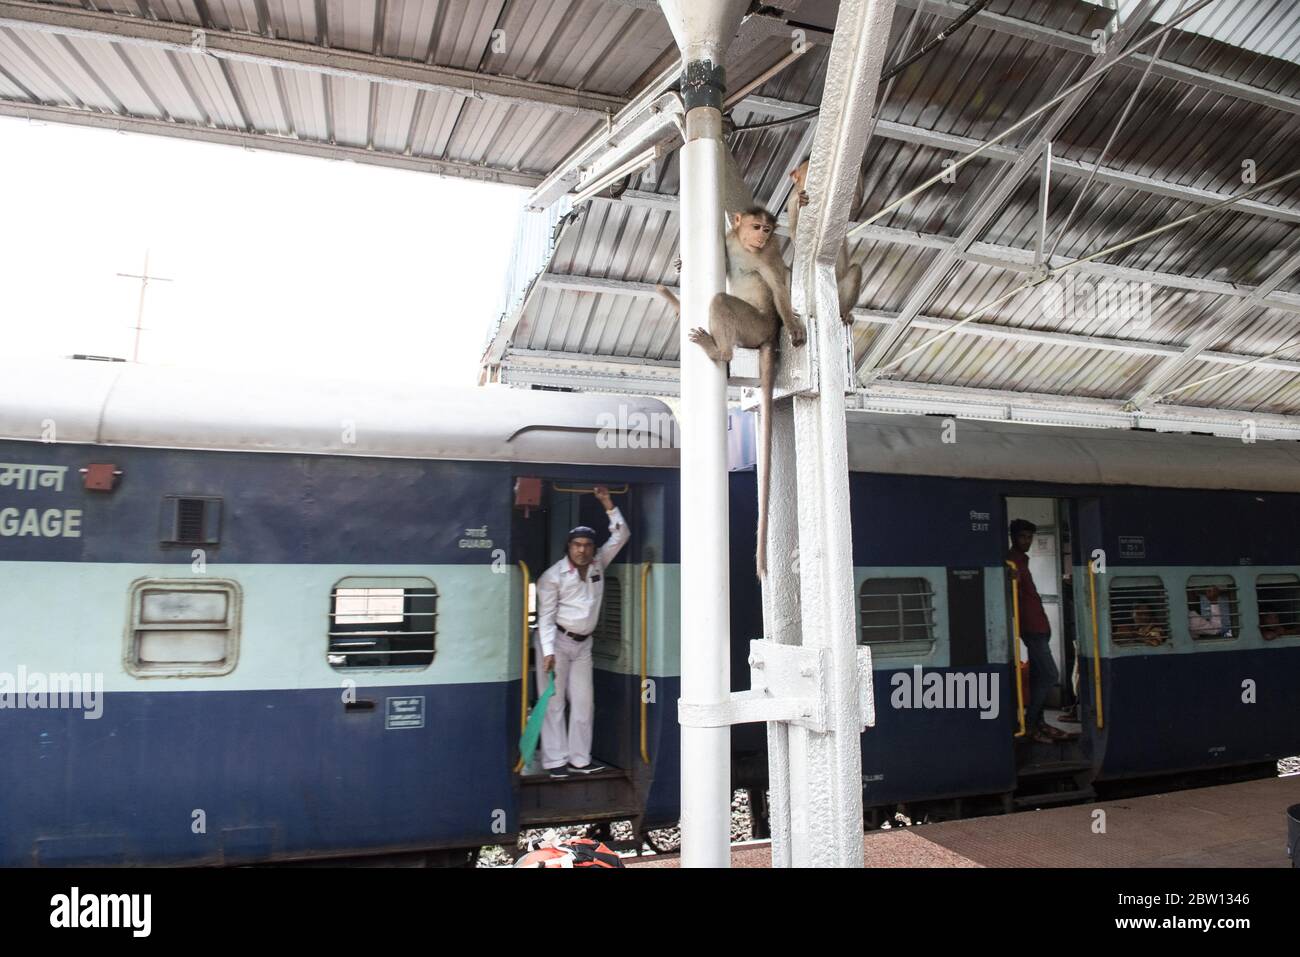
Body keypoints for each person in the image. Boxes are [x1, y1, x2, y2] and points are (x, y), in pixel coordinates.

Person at [534, 485, 629, 779]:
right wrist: (548, 651)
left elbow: (621, 534)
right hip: (556, 642)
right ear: (569, 547)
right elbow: (546, 617)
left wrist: (607, 502)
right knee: (553, 702)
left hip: (583, 645)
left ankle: (579, 760)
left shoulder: (599, 562)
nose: (583, 549)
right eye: (577, 545)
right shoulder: (552, 577)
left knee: (584, 703)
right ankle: (554, 762)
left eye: (588, 545)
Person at [1007, 519, 1070, 744]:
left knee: (1037, 677)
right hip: (1032, 628)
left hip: (1039, 626)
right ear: (1014, 537)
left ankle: (1039, 722)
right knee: (1051, 674)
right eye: (1023, 536)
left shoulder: (1021, 561)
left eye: (1030, 537)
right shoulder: (1013, 562)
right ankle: (1032, 723)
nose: (1028, 541)